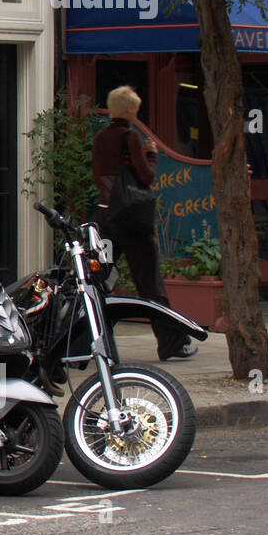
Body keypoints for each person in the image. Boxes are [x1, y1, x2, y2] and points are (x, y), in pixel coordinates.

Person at [91, 86, 197, 360]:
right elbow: (146, 177)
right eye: (135, 109)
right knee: (150, 284)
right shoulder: (131, 137)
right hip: (131, 220)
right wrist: (151, 153)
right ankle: (171, 343)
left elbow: (99, 173)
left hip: (106, 217)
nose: (137, 113)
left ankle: (90, 343)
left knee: (98, 282)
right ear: (128, 110)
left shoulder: (101, 138)